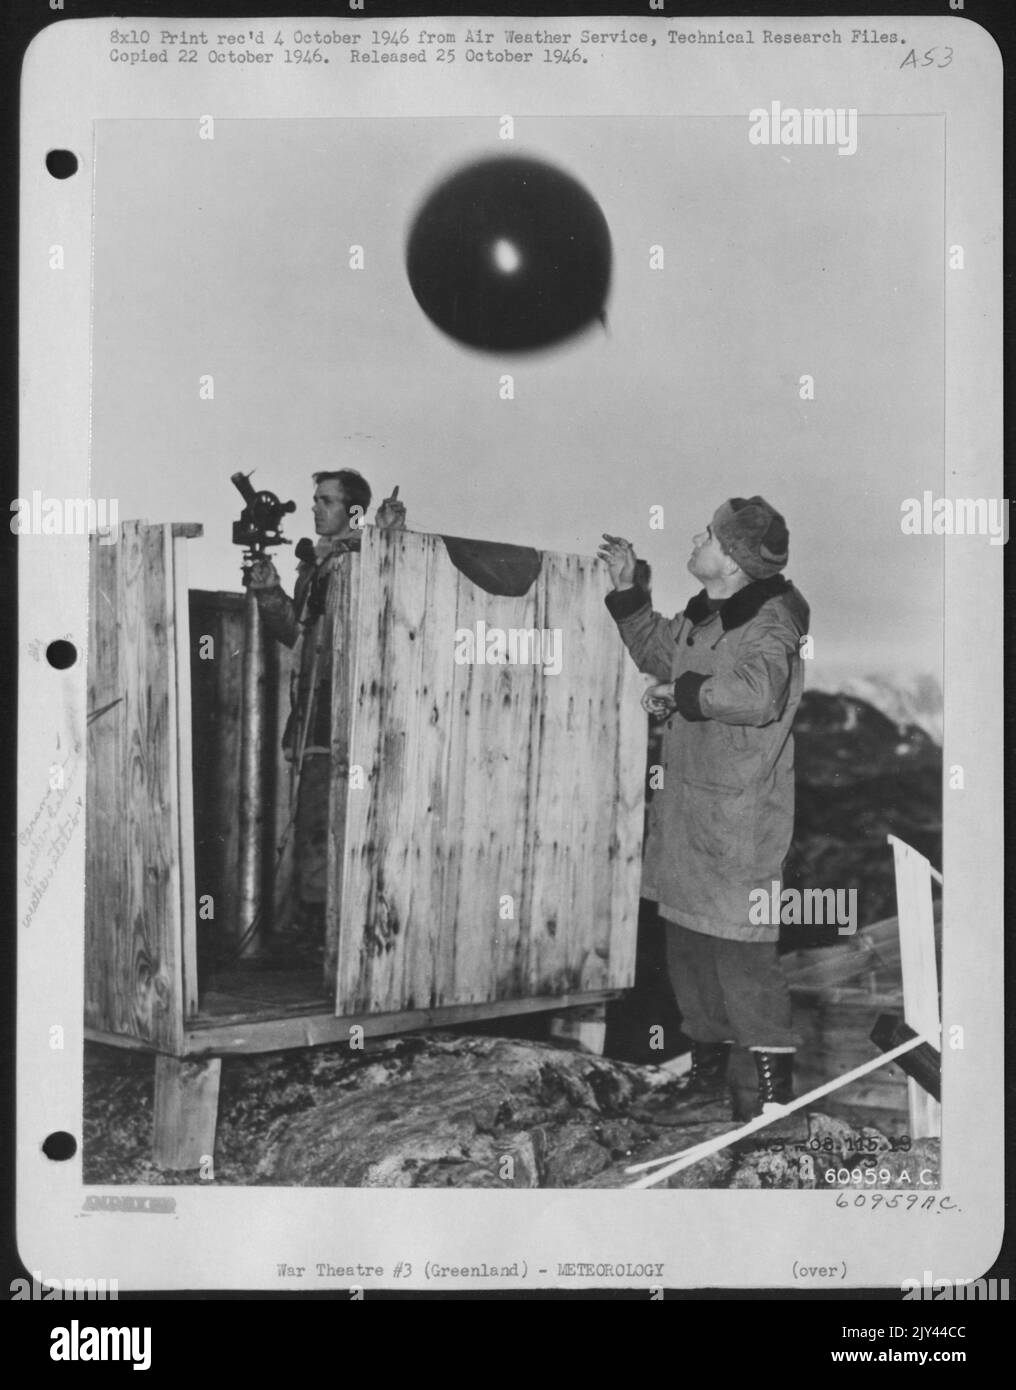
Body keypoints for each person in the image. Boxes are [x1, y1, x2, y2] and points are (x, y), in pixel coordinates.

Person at [598, 497, 810, 1119]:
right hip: (691, 816)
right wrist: (629, 591)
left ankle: (774, 1104)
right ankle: (708, 1084)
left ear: (735, 562)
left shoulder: (770, 623)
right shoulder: (706, 615)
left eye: (709, 535)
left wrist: (682, 692)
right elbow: (659, 654)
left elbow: (757, 694)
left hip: (738, 821)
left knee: (743, 956)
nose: (696, 538)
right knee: (690, 950)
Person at [245, 470, 406, 947]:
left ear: (352, 510)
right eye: (315, 500)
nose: (316, 508)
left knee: (340, 827)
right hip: (316, 717)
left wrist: (388, 540)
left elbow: (391, 599)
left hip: (354, 718)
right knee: (315, 823)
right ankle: (318, 934)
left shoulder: (369, 558)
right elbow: (298, 633)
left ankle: (333, 937)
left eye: (327, 501)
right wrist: (271, 592)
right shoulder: (317, 566)